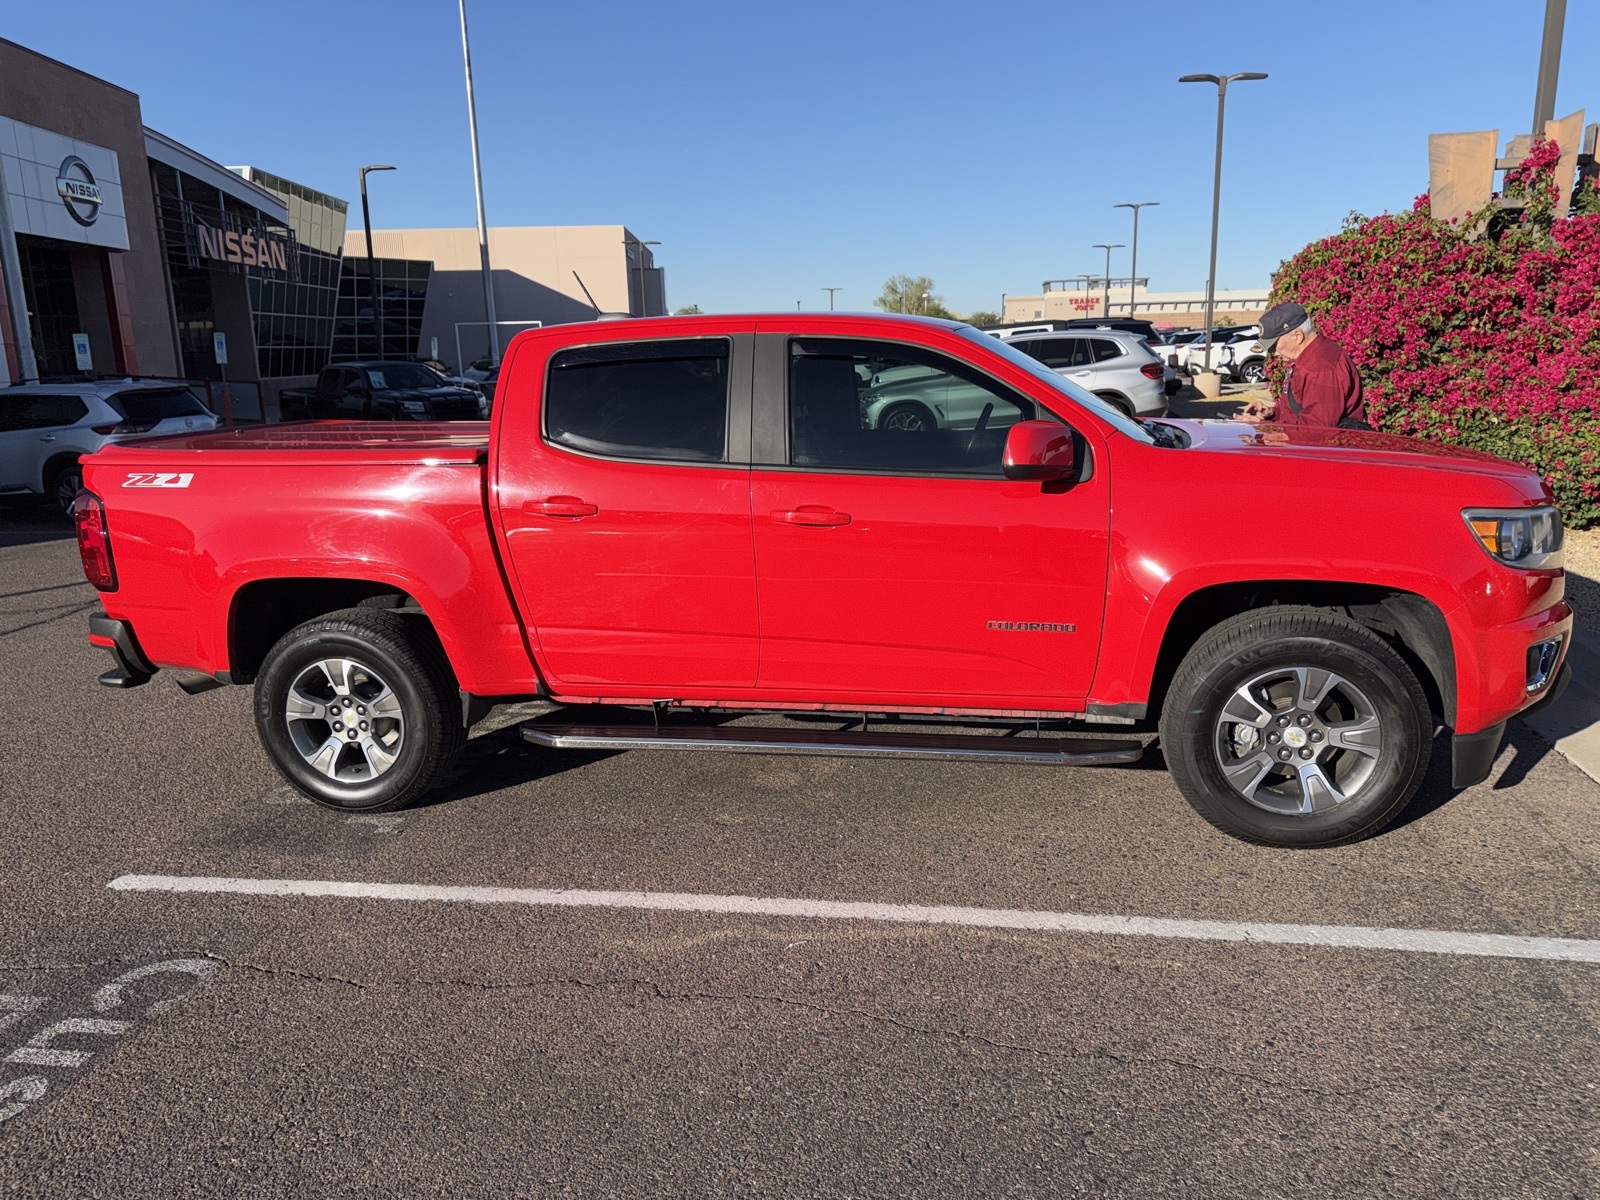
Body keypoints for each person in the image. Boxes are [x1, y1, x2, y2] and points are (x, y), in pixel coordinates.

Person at [1238, 302, 1369, 429]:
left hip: (1328, 449)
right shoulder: (1310, 357)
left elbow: (1316, 431)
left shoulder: (1320, 368)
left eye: (1273, 345)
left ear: (1298, 336)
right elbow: (1302, 413)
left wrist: (1265, 427)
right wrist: (1272, 414)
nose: (1273, 352)